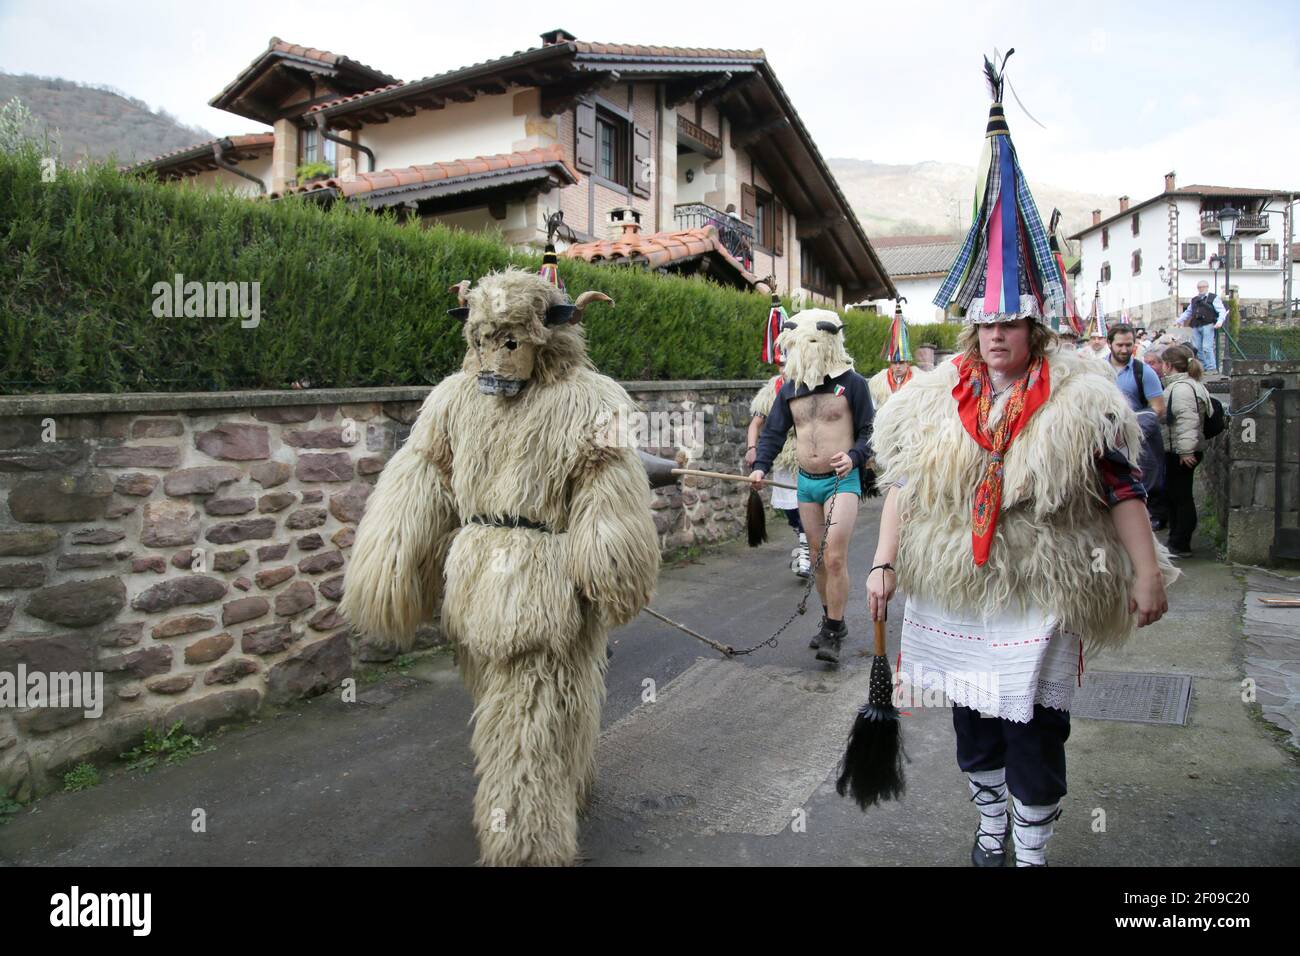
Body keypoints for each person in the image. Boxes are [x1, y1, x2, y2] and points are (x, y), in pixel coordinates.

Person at [882, 52, 1177, 867]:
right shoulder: (935, 397)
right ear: (973, 331)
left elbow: (1121, 486)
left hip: (1041, 582)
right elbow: (904, 481)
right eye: (987, 325)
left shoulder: (1081, 399)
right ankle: (988, 834)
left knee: (1035, 722)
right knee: (971, 717)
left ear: (1035, 328)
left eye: (1012, 323)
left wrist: (1146, 574)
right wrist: (881, 564)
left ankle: (1033, 852)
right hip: (956, 584)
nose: (998, 335)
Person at [342, 269, 659, 866]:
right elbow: (423, 480)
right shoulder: (454, 399)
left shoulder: (591, 400)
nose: (494, 355)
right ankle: (561, 796)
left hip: (546, 586)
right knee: (524, 706)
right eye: (484, 339)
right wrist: (394, 561)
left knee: (525, 726)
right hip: (475, 584)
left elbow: (607, 486)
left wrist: (607, 562)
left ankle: (524, 847)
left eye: (509, 341)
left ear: (545, 338)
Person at [750, 309, 873, 665]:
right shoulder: (791, 388)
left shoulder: (853, 383)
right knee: (818, 558)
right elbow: (773, 432)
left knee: (834, 557)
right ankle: (829, 619)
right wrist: (760, 466)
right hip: (807, 484)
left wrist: (854, 455)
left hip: (841, 482)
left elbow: (870, 431)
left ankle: (833, 630)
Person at [747, 357, 809, 578]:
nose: (785, 369)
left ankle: (805, 555)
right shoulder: (772, 389)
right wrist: (752, 447)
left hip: (807, 453)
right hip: (782, 455)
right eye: (781, 365)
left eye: (788, 363)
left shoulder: (809, 384)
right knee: (790, 509)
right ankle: (805, 544)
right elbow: (756, 423)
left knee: (805, 506)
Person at [1159, 344, 1211, 558]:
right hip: (1180, 449)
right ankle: (1177, 539)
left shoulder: (1181, 389)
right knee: (1175, 495)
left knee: (1180, 497)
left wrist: (1186, 451)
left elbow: (1187, 420)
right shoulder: (1188, 385)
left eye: (1163, 363)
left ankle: (1181, 543)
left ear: (1168, 365)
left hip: (1181, 451)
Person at [868, 300, 918, 410]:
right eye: (894, 363)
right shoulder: (878, 384)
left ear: (908, 363)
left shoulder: (918, 381)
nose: (898, 366)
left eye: (901, 362)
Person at [1175, 280, 1228, 373]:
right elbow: (1188, 312)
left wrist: (1220, 321)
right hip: (1196, 324)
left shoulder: (1213, 297)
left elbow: (1221, 310)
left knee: (1207, 347)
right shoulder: (1194, 299)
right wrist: (1179, 320)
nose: (1201, 289)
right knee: (1197, 347)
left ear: (1207, 287)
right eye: (1199, 287)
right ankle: (1203, 367)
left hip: (1208, 324)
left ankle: (1211, 367)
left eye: (1203, 287)